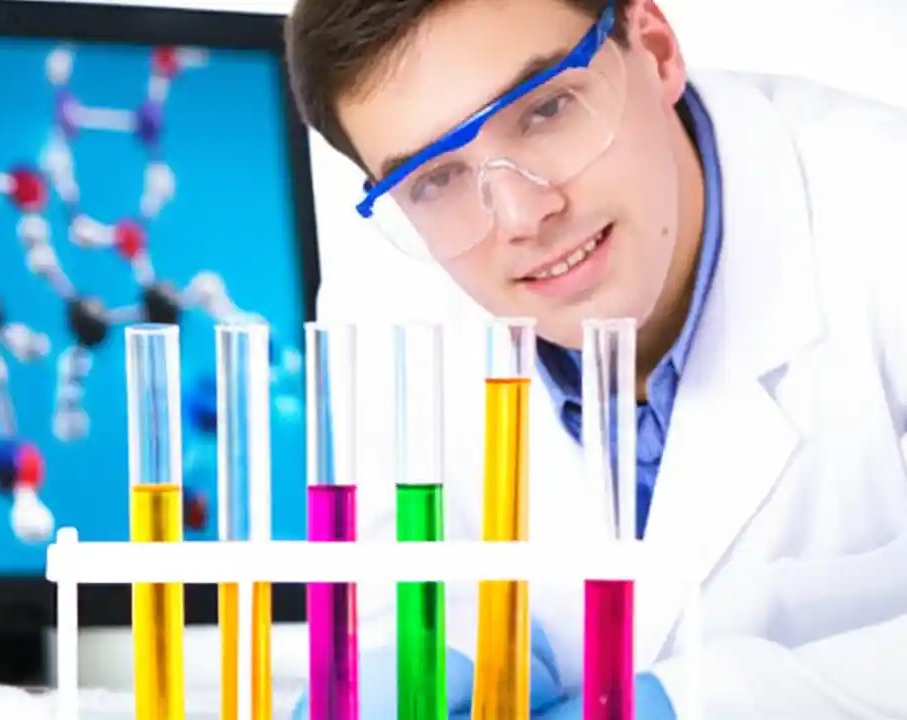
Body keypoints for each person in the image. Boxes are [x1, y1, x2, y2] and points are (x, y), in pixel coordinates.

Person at [283, 0, 907, 717]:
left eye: (546, 109)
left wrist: (715, 702)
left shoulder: (888, 209)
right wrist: (437, 652)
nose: (521, 215)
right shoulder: (385, 299)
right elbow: (405, 586)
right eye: (436, 178)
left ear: (655, 46)